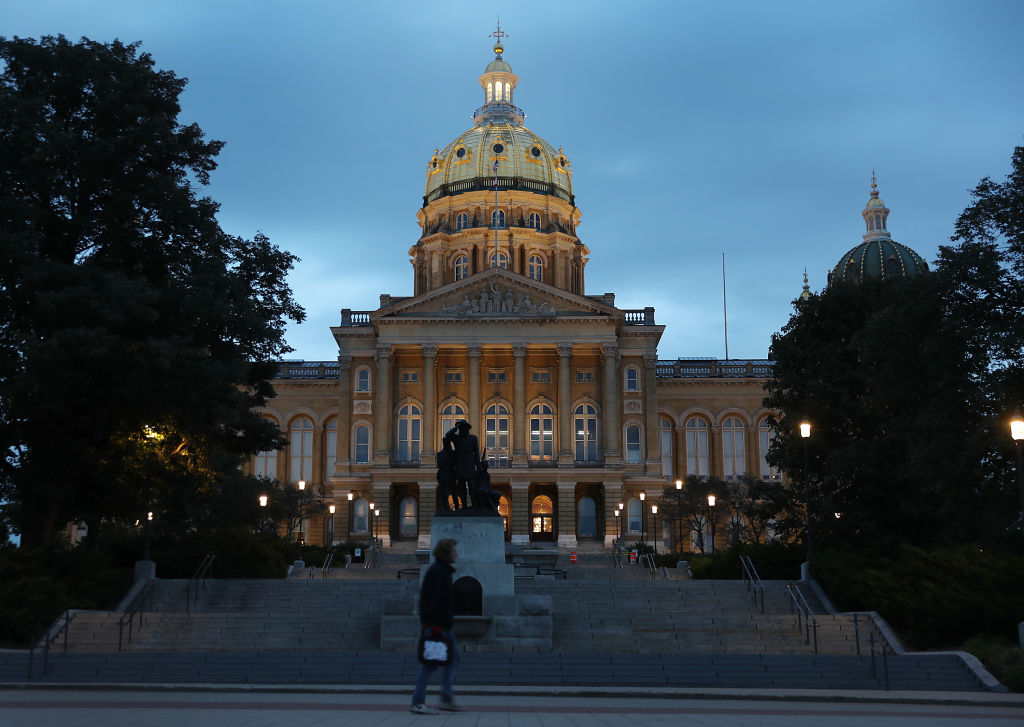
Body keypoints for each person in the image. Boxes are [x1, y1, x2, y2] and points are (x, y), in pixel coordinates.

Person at [410, 538, 462, 714]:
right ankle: (418, 701)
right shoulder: (438, 572)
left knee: (452, 658)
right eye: (454, 550)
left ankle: (446, 697)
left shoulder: (442, 571)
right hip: (437, 626)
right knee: (430, 664)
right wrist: (435, 626)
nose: (457, 553)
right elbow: (432, 602)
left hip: (440, 625)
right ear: (447, 552)